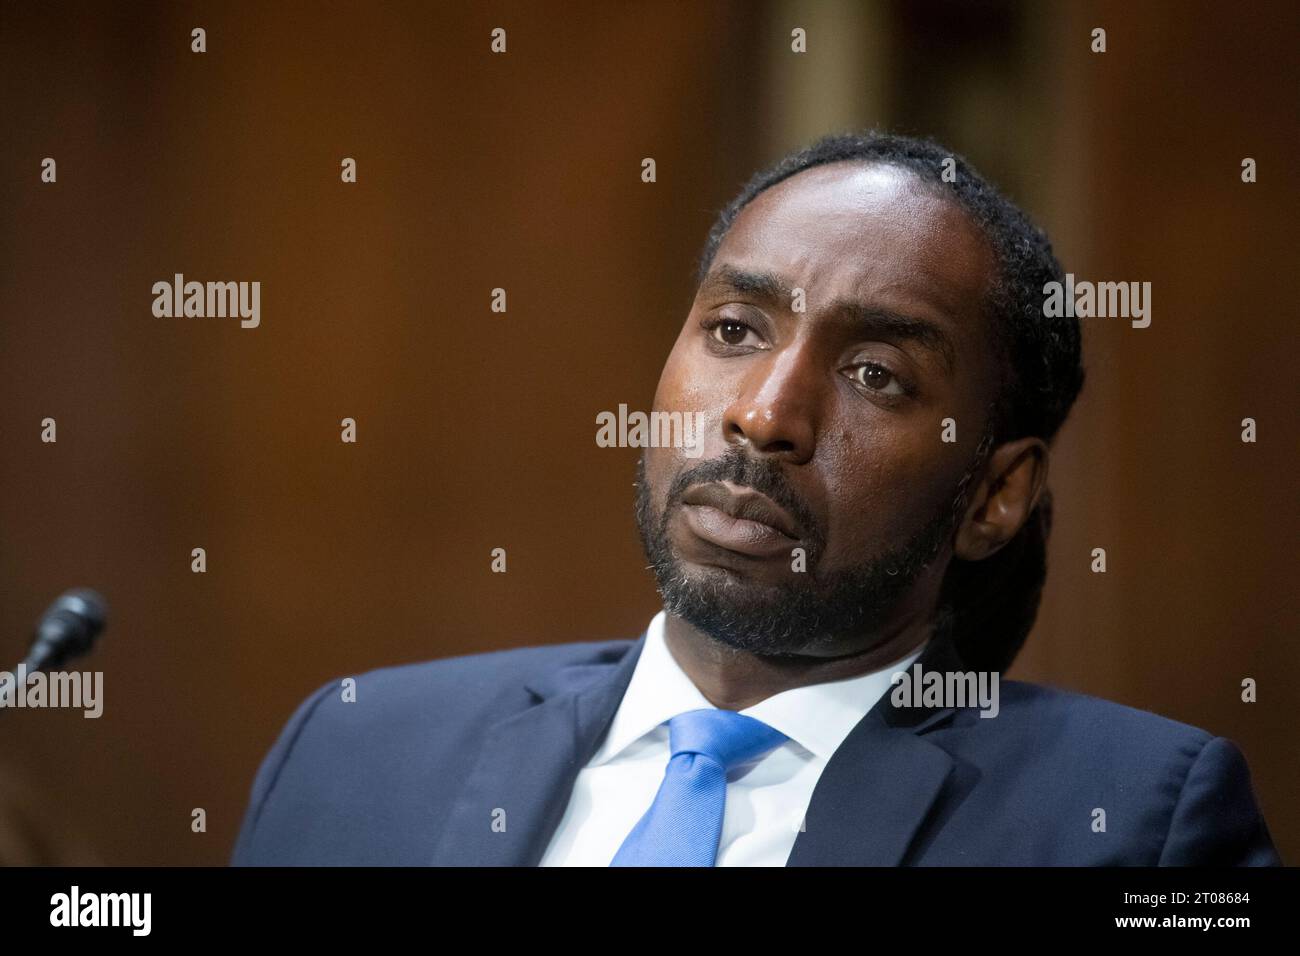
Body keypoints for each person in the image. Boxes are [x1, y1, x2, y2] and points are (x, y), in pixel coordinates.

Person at [231, 131, 1281, 866]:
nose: (764, 416)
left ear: (993, 495)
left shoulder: (1129, 821)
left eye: (877, 374)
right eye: (735, 329)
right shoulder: (358, 745)